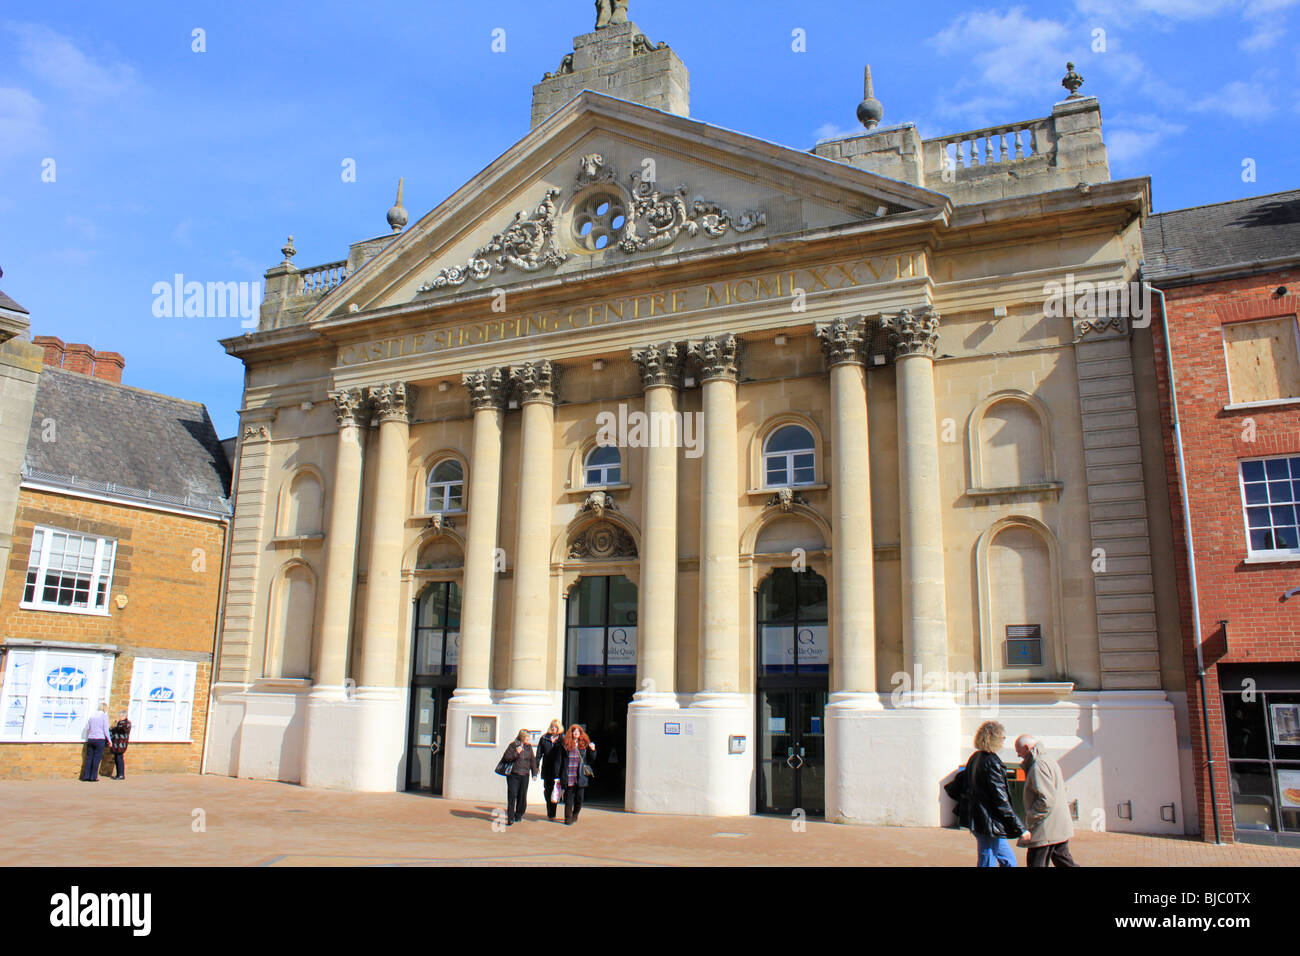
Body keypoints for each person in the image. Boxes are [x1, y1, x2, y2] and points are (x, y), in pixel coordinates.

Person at [964, 720, 1024, 866]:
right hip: (988, 823)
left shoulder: (975, 758)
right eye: (1003, 738)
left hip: (983, 820)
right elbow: (1001, 799)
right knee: (989, 859)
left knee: (1008, 860)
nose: (1004, 742)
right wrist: (1019, 827)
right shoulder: (992, 762)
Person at [1015, 734, 1079, 867]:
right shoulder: (1047, 759)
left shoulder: (1038, 765)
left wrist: (1032, 815)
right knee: (1063, 859)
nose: (1018, 756)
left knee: (1037, 862)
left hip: (1045, 827)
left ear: (1027, 748)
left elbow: (1046, 799)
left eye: (1019, 752)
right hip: (1057, 824)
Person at [558, 723, 596, 825]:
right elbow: (560, 760)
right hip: (569, 773)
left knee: (579, 798)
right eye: (574, 731)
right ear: (571, 733)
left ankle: (575, 814)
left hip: (580, 775)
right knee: (568, 798)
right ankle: (568, 818)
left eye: (578, 732)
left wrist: (593, 750)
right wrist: (558, 775)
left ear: (580, 733)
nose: (576, 733)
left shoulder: (584, 744)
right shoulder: (566, 744)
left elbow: (592, 759)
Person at [501, 729, 538, 825]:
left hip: (524, 774)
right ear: (522, 737)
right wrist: (516, 753)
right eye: (527, 737)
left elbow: (532, 761)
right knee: (512, 795)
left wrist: (534, 773)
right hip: (514, 774)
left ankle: (518, 815)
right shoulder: (513, 745)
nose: (528, 739)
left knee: (522, 797)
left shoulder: (529, 747)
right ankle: (510, 817)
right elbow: (507, 757)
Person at [536, 719, 565, 821]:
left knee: (555, 791)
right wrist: (536, 765)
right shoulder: (544, 738)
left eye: (556, 727)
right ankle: (550, 812)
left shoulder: (563, 739)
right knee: (548, 791)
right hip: (547, 769)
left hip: (558, 769)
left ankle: (552, 813)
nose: (554, 729)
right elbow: (539, 753)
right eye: (552, 727)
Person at [80, 703, 111, 782]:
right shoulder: (104, 717)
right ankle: (93, 777)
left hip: (91, 739)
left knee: (89, 758)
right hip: (100, 739)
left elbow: (87, 728)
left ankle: (86, 776)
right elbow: (106, 730)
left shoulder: (92, 716)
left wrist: (87, 737)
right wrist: (109, 740)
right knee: (97, 758)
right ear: (104, 709)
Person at [108, 711, 132, 780]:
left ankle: (121, 774)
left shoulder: (126, 723)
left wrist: (115, 726)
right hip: (117, 744)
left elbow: (119, 729)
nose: (119, 717)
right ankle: (118, 774)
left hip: (121, 744)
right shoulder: (120, 723)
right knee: (117, 759)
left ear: (123, 716)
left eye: (120, 716)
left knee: (119, 759)